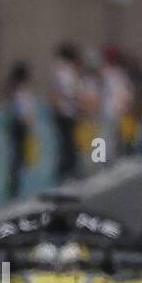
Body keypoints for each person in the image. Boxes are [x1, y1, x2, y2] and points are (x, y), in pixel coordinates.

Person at [49, 43, 82, 181]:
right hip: (66, 112)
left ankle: (68, 170)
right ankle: (66, 172)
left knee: (68, 143)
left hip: (65, 112)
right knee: (68, 143)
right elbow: (70, 91)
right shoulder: (64, 71)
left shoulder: (60, 69)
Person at [4, 62, 37, 198]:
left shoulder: (18, 90)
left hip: (18, 126)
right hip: (19, 126)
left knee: (19, 158)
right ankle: (14, 189)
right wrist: (29, 124)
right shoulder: (20, 91)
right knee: (18, 158)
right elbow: (23, 111)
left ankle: (16, 187)